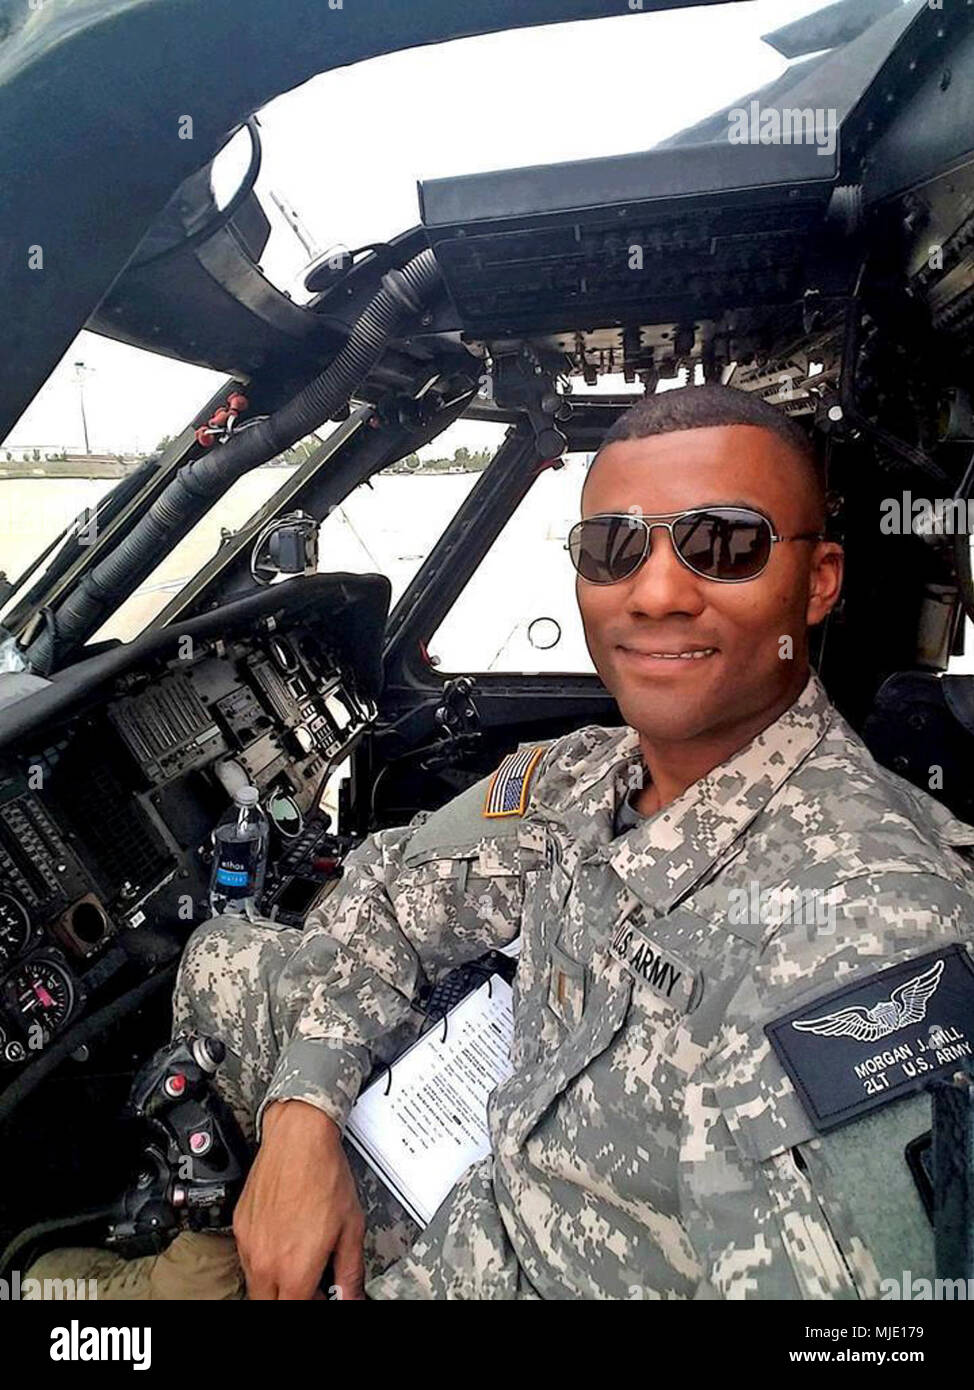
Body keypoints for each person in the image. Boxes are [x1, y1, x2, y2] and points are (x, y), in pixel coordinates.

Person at [30, 383, 974, 1299]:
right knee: (225, 955)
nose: (653, 595)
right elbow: (391, 890)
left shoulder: (868, 935)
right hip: (485, 1169)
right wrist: (300, 1118)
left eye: (721, 546)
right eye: (612, 549)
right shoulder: (587, 774)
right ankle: (210, 1264)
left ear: (818, 582)